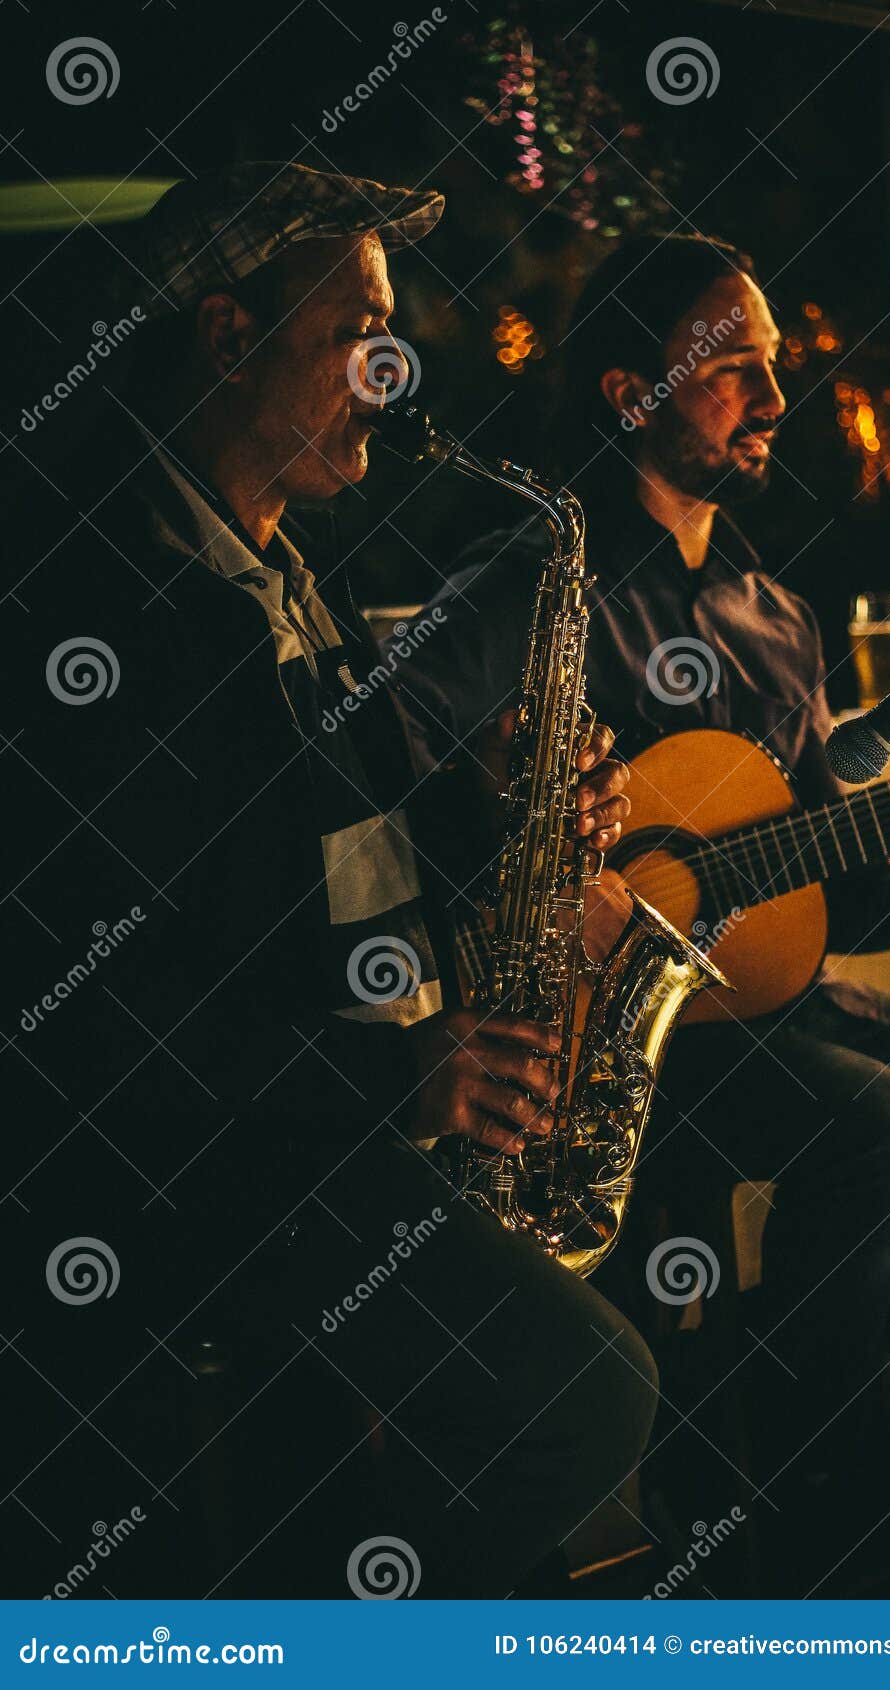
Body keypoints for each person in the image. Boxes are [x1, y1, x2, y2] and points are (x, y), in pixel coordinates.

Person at [0, 164, 658, 1600]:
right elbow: (101, 1025)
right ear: (229, 335)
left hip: (346, 1128)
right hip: (222, 1181)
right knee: (589, 1397)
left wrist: (506, 813)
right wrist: (396, 1079)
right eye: (354, 332)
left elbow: (346, 861)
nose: (390, 369)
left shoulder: (285, 578)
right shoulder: (108, 616)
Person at [388, 233, 890, 1588]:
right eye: (733, 371)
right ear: (633, 391)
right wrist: (507, 806)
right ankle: (837, 1520)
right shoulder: (539, 575)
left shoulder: (778, 618)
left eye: (774, 370)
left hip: (751, 1009)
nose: (772, 399)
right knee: (888, 1122)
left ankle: (870, 1484)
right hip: (596, 1040)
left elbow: (809, 896)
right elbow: (384, 753)